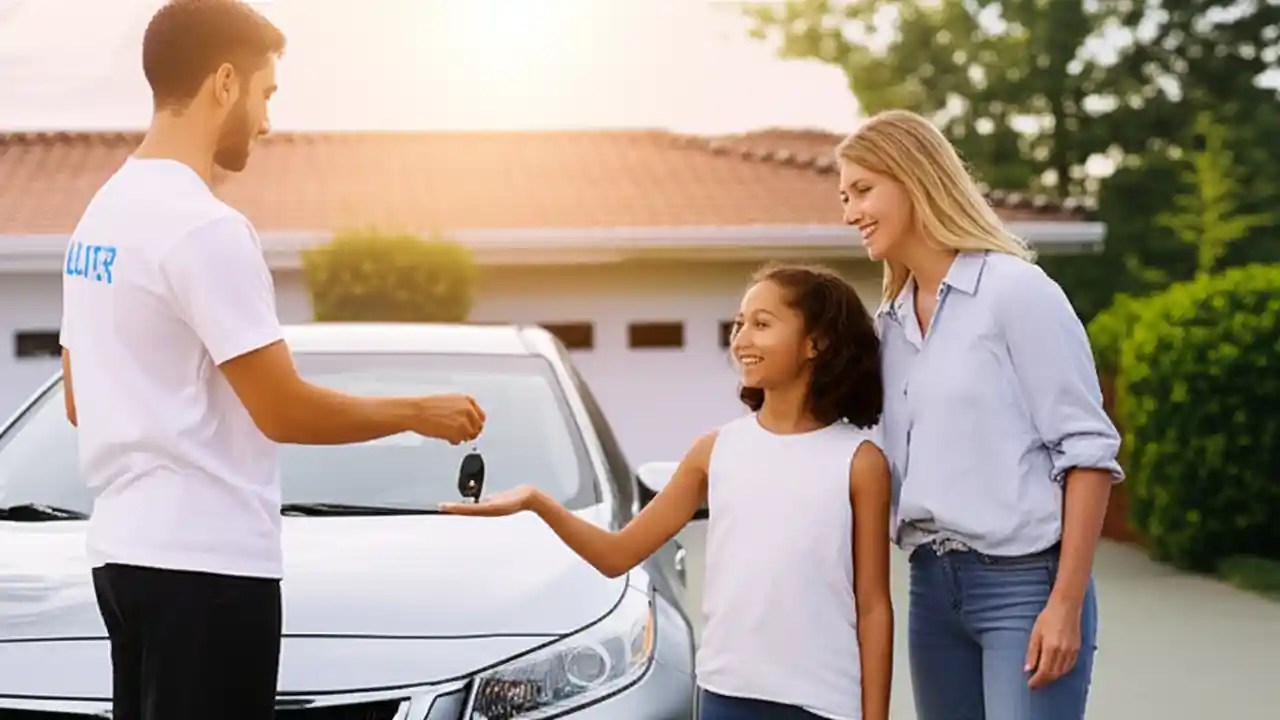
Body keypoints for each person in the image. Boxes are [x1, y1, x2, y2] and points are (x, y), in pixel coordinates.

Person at [58, 2, 485, 719]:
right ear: (225, 83)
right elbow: (282, 408)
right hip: (210, 569)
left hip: (122, 561)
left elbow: (79, 401)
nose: (267, 122)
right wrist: (419, 412)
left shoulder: (99, 217)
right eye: (266, 94)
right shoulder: (206, 228)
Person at [441, 264, 894, 720]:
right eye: (739, 324)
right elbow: (617, 554)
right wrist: (537, 501)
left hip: (824, 704)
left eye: (762, 324)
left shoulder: (858, 461)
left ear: (817, 342)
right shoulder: (715, 451)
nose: (741, 340)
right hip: (727, 697)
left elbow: (873, 606)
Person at [834, 109, 1124, 720]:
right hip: (931, 587)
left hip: (1023, 586)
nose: (850, 210)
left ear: (914, 179)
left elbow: (1089, 452)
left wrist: (1065, 603)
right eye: (844, 195)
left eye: (863, 190)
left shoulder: (1016, 292)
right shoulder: (889, 323)